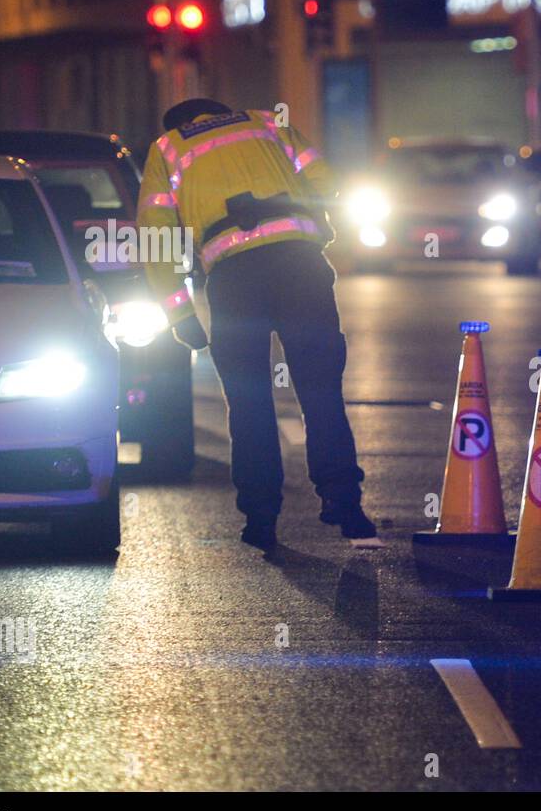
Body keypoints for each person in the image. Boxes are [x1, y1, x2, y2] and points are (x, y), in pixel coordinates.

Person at [137, 98, 379, 551]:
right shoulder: (267, 123)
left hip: (235, 279)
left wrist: (180, 314)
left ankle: (261, 517)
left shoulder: (167, 148)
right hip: (300, 266)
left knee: (248, 400)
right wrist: (318, 228)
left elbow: (157, 237)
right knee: (321, 390)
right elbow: (327, 183)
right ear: (221, 113)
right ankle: (345, 503)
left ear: (182, 124)